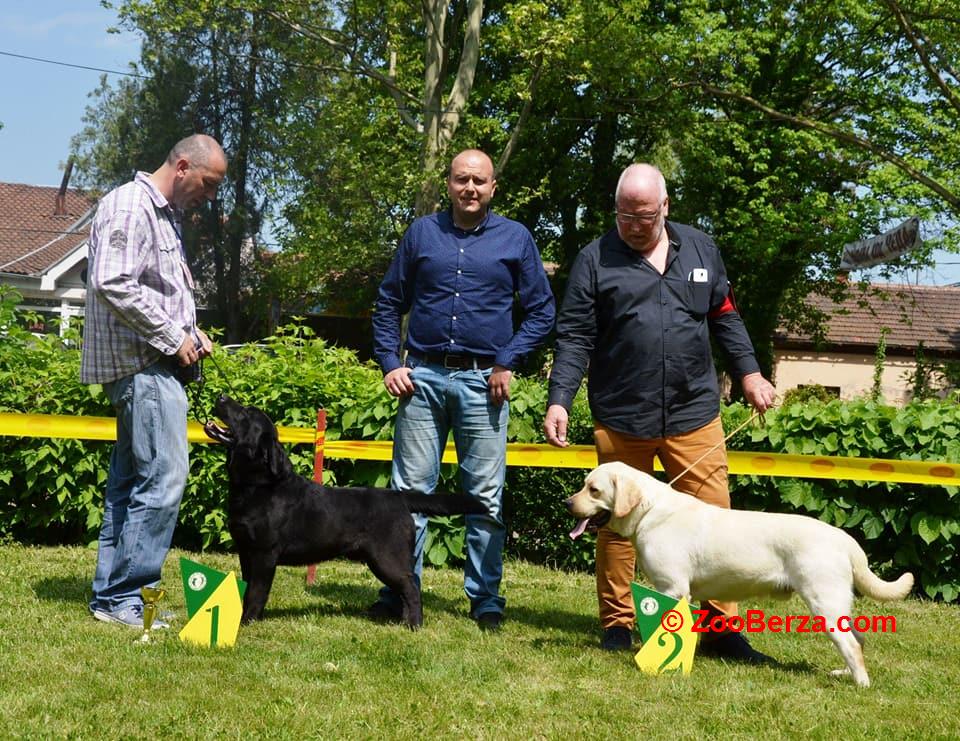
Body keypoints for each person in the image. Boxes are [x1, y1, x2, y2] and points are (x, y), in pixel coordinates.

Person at [544, 163, 777, 661]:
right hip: (622, 415)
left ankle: (720, 629)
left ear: (665, 207)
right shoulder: (594, 260)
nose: (633, 225)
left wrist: (751, 373)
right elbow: (575, 338)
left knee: (717, 525)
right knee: (617, 522)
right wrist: (559, 397)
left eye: (644, 216)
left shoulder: (700, 248)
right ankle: (618, 624)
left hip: (694, 412)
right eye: (624, 215)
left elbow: (725, 316)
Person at [371, 149, 556, 631]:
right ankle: (400, 591)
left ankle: (485, 598)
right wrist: (391, 362)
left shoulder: (516, 238)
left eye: (479, 181)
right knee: (407, 493)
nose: (470, 188)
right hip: (422, 377)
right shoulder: (421, 234)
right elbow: (389, 301)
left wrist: (507, 360)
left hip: (484, 383)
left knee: (485, 496)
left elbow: (542, 312)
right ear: (448, 184)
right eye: (461, 180)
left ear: (494, 187)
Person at [81, 134, 227, 628]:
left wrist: (190, 331)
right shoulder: (130, 205)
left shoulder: (164, 214)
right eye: (208, 185)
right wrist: (172, 337)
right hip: (142, 368)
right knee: (164, 479)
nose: (209, 197)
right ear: (183, 166)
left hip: (149, 363)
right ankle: (126, 598)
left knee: (129, 483)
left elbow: (153, 290)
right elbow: (112, 280)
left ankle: (110, 597)